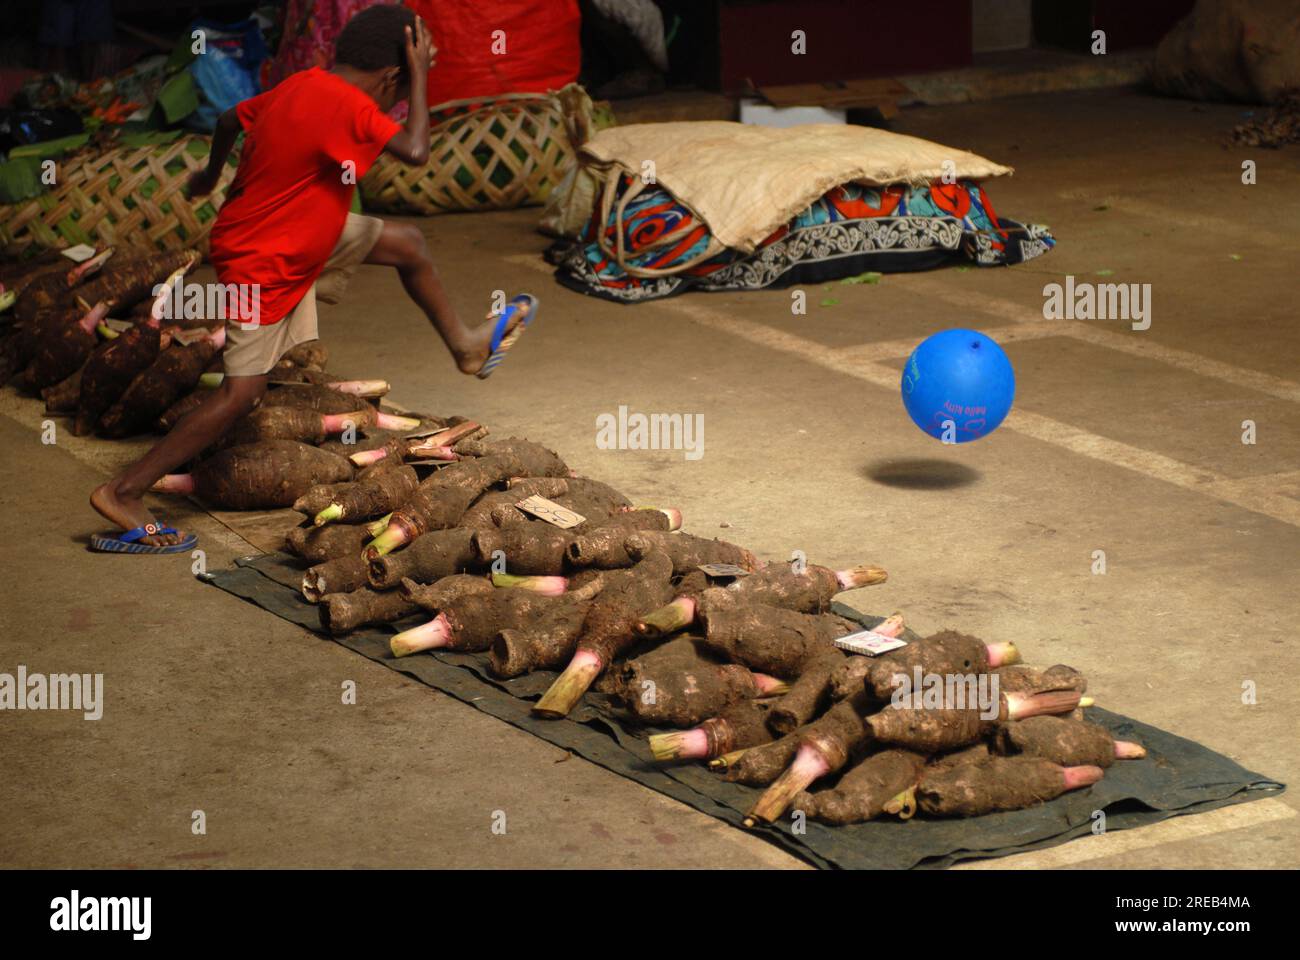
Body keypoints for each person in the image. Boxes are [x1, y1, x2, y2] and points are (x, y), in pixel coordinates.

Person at [89, 5, 534, 553]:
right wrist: (422, 79)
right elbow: (417, 151)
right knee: (240, 394)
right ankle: (123, 489)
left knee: (407, 245)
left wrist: (210, 174)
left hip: (298, 229)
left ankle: (467, 346)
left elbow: (230, 119)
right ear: (394, 74)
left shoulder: (304, 82)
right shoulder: (346, 103)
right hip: (265, 256)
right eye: (414, 73)